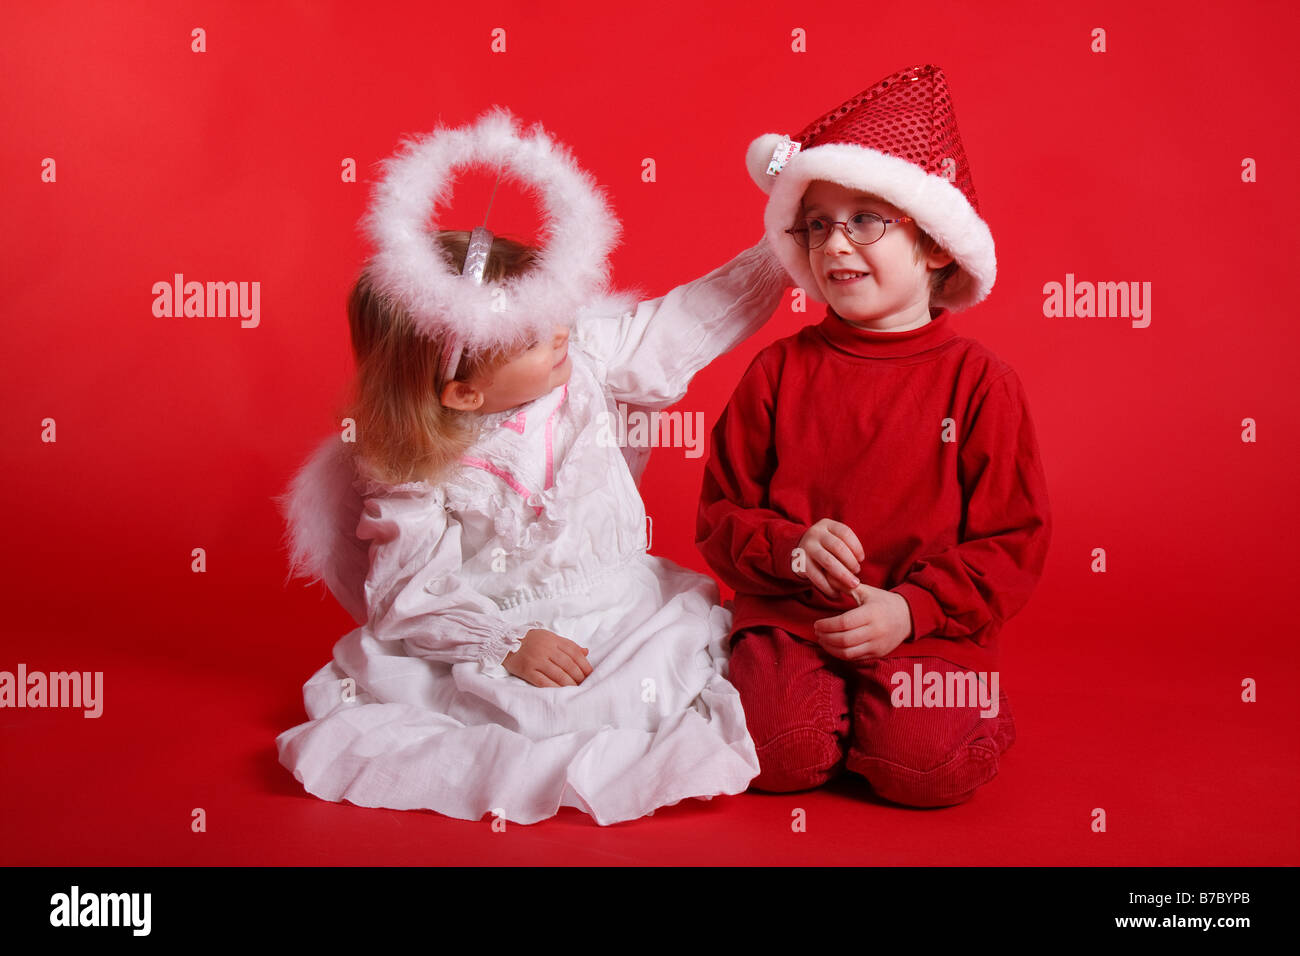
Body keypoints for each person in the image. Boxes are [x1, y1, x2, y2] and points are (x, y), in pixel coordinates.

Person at [276, 109, 788, 825]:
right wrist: (503, 643)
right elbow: (403, 597)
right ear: (463, 392)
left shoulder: (585, 359)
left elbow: (692, 320)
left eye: (555, 310)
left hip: (621, 606)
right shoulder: (416, 472)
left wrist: (783, 243)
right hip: (509, 624)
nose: (559, 331)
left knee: (661, 685)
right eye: (531, 333)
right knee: (534, 721)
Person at [696, 64, 1053, 807]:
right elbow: (720, 515)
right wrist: (792, 548)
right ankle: (816, 706)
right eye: (818, 224)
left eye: (865, 219)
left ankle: (940, 709)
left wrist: (913, 611)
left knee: (924, 769)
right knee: (776, 757)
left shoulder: (983, 385)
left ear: (936, 246)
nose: (834, 244)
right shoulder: (778, 371)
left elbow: (1012, 540)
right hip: (794, 619)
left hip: (926, 628)